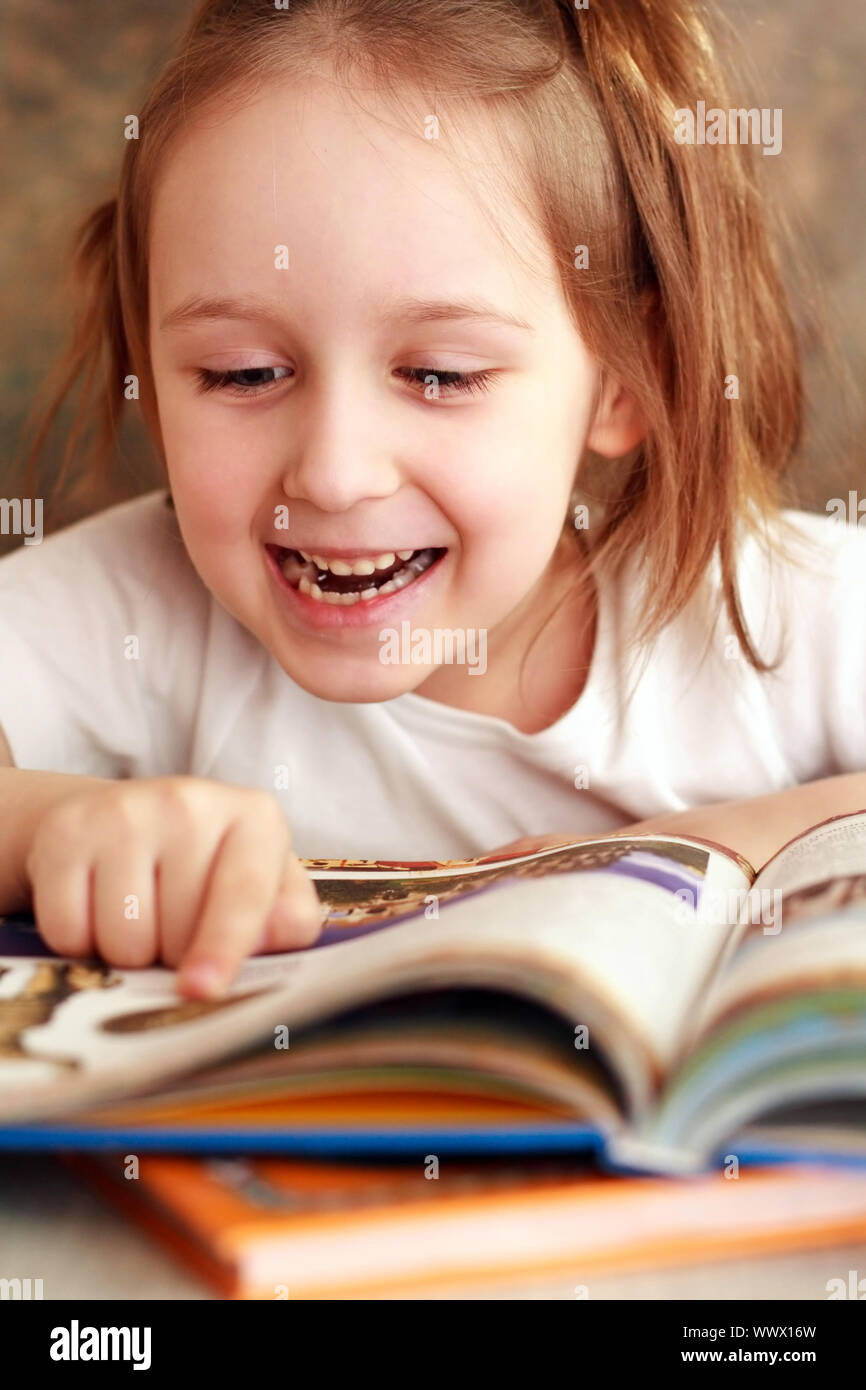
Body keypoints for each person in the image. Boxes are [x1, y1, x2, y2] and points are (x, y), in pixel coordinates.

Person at [1, 0, 864, 999]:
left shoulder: (783, 607)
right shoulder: (137, 606)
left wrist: (701, 846)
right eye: (240, 374)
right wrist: (47, 827)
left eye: (441, 375)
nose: (332, 472)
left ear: (623, 380)